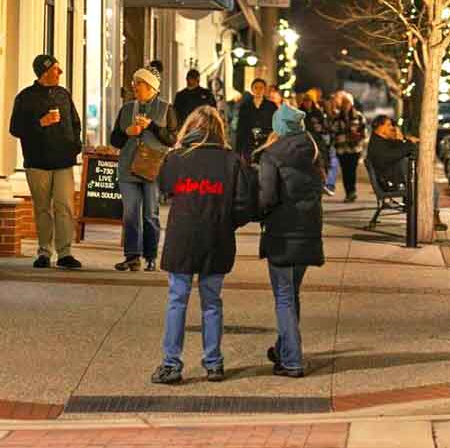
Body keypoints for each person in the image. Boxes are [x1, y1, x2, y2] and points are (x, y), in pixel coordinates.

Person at [151, 107, 256, 385]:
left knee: (177, 300)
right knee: (212, 302)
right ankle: (213, 363)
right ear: (219, 130)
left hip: (183, 236)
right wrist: (226, 221)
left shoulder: (177, 158)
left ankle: (171, 364)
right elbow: (245, 204)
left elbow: (163, 186)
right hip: (216, 237)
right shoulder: (231, 161)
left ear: (191, 128)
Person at [255, 102, 325, 378]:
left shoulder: (271, 155)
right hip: (308, 232)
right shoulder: (313, 151)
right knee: (291, 294)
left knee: (284, 296)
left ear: (278, 127)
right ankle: (284, 349)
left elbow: (267, 197)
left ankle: (292, 360)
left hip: (282, 234)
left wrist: (256, 210)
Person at [9, 54, 83, 269]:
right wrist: (40, 122)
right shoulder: (25, 97)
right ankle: (44, 252)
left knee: (65, 207)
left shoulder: (63, 94)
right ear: (44, 71)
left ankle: (65, 253)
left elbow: (75, 122)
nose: (60, 73)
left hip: (63, 161)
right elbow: (15, 128)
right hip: (37, 162)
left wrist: (74, 146)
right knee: (42, 209)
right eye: (56, 69)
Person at [110, 67, 178, 272]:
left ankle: (150, 256)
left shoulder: (167, 109)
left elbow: (172, 139)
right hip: (127, 168)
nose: (134, 86)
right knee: (130, 214)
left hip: (152, 169)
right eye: (134, 82)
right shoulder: (126, 109)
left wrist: (151, 127)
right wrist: (127, 132)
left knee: (150, 214)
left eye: (138, 83)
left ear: (151, 87)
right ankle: (132, 257)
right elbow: (114, 139)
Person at [367, 115, 447, 231]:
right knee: (429, 188)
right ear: (380, 127)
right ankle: (432, 217)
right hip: (392, 183)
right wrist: (407, 142)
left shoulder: (382, 141)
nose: (392, 128)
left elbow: (402, 150)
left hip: (396, 178)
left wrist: (403, 140)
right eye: (388, 125)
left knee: (431, 186)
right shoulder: (377, 145)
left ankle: (433, 215)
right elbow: (399, 153)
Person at [330, 91, 366, 202]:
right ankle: (348, 192)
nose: (346, 105)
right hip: (341, 149)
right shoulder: (337, 118)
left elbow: (364, 132)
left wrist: (357, 135)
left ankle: (352, 191)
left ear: (352, 104)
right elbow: (332, 132)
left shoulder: (358, 116)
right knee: (345, 171)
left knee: (352, 170)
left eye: (348, 103)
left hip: (355, 148)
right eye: (344, 103)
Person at [236, 78, 278, 163]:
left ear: (265, 89)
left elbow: (276, 127)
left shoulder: (271, 106)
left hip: (266, 143)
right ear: (252, 89)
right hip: (249, 143)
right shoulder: (245, 107)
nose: (258, 90)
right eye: (256, 88)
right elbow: (240, 128)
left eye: (261, 88)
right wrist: (238, 149)